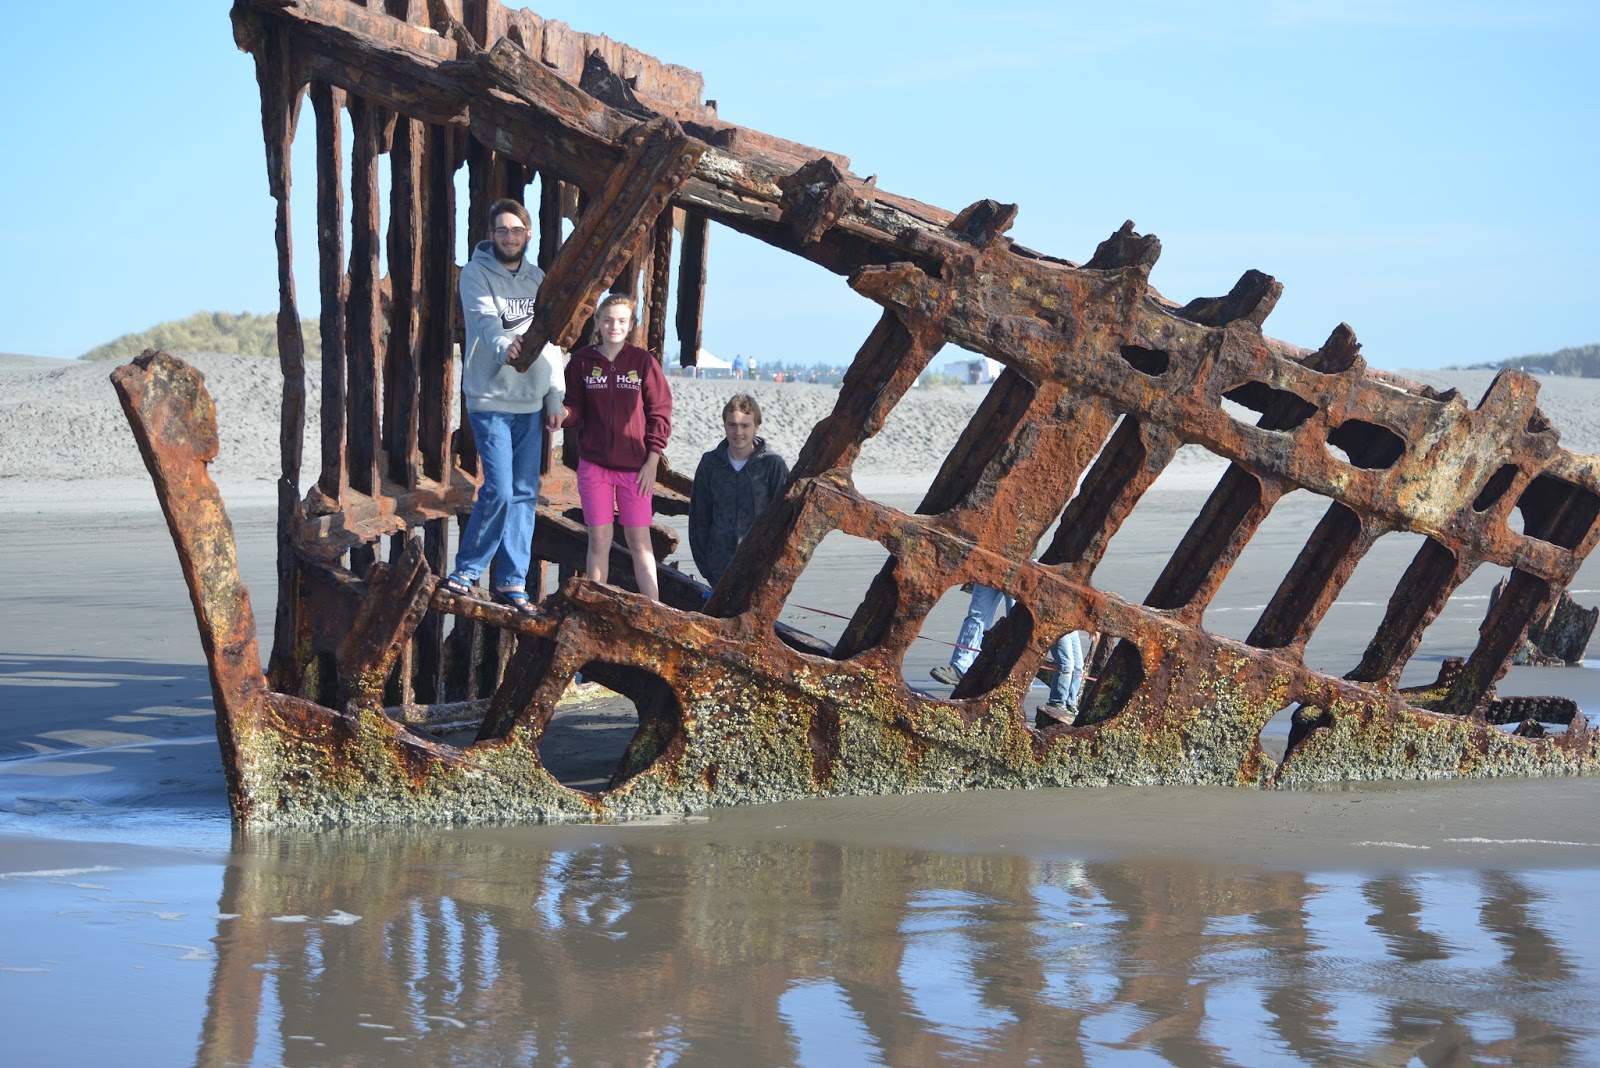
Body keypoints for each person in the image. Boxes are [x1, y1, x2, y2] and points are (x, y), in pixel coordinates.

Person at [441, 198, 563, 616]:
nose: (509, 237)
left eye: (516, 230)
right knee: (499, 489)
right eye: (501, 230)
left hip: (530, 401)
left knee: (525, 493)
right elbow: (485, 322)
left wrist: (555, 396)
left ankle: (512, 581)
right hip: (490, 398)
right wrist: (503, 346)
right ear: (491, 235)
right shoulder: (475, 274)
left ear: (528, 235)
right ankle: (467, 570)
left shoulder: (538, 278)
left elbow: (552, 342)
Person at [562, 293, 672, 601]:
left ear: (631, 325)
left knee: (640, 541)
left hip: (636, 469)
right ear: (597, 322)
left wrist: (652, 461)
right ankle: (595, 606)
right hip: (594, 466)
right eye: (608, 320)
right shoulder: (582, 362)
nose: (614, 326)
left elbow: (660, 412)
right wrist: (562, 417)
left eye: (622, 321)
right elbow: (574, 409)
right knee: (599, 540)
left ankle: (654, 612)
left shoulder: (643, 363)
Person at [929, 584, 1084, 719]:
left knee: (1018, 621)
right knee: (977, 615)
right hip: (992, 562)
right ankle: (960, 667)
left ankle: (1018, 675)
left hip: (1025, 566)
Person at [688, 394, 790, 586]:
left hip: (759, 566)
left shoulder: (772, 464)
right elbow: (698, 517)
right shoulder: (710, 464)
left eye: (745, 426)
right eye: (732, 425)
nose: (738, 432)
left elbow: (784, 519)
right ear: (724, 425)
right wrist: (705, 565)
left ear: (756, 426)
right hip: (718, 566)